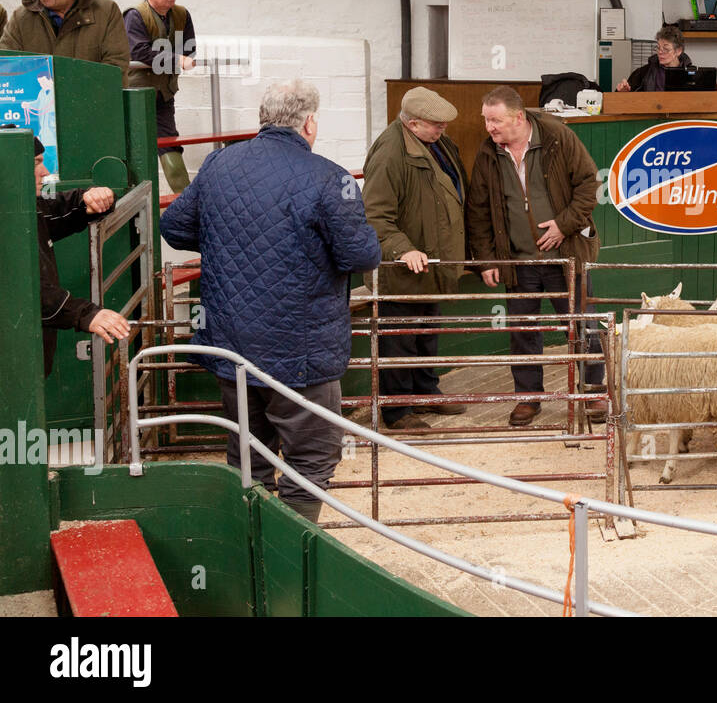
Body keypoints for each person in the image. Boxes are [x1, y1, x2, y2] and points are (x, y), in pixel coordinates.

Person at [159, 80, 381, 522]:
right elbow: (360, 255)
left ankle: (251, 546)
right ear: (309, 122)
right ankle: (292, 548)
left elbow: (175, 227)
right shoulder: (330, 177)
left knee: (249, 455)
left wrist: (231, 243)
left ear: (264, 118)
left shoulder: (219, 164)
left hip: (231, 345)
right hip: (301, 349)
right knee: (311, 457)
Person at [465, 85, 603, 428]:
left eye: (495, 120)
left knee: (583, 324)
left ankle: (594, 391)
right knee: (523, 330)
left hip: (565, 255)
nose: (489, 127)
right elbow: (478, 210)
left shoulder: (558, 137)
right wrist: (486, 260)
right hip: (518, 260)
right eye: (486, 120)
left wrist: (563, 225)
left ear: (518, 117)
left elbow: (589, 184)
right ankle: (528, 397)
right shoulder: (488, 152)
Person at [362, 87, 468, 430]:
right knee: (399, 340)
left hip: (431, 266)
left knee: (425, 333)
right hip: (402, 269)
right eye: (436, 124)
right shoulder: (390, 153)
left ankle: (425, 392)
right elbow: (374, 215)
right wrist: (402, 249)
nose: (443, 129)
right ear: (412, 123)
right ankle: (397, 410)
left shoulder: (437, 143)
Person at [13, 128, 131, 376]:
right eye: (35, 163)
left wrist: (91, 199)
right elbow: (25, 291)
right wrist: (85, 314)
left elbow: (55, 208)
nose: (45, 172)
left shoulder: (21, 204)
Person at [123, 0, 198, 194]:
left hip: (165, 92)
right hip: (137, 92)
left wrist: (179, 58)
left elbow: (189, 48)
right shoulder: (135, 15)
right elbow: (139, 51)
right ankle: (132, 199)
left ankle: (183, 198)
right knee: (134, 146)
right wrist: (175, 60)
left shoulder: (181, 15)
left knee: (168, 142)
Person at [0, 0, 129, 76]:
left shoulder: (106, 11)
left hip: (91, 91)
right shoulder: (20, 17)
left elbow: (116, 66)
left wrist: (73, 88)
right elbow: (5, 65)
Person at [616, 25, 692, 93]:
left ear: (678, 51)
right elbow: (623, 97)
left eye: (666, 49)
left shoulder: (690, 74)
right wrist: (623, 92)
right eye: (658, 48)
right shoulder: (645, 72)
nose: (660, 52)